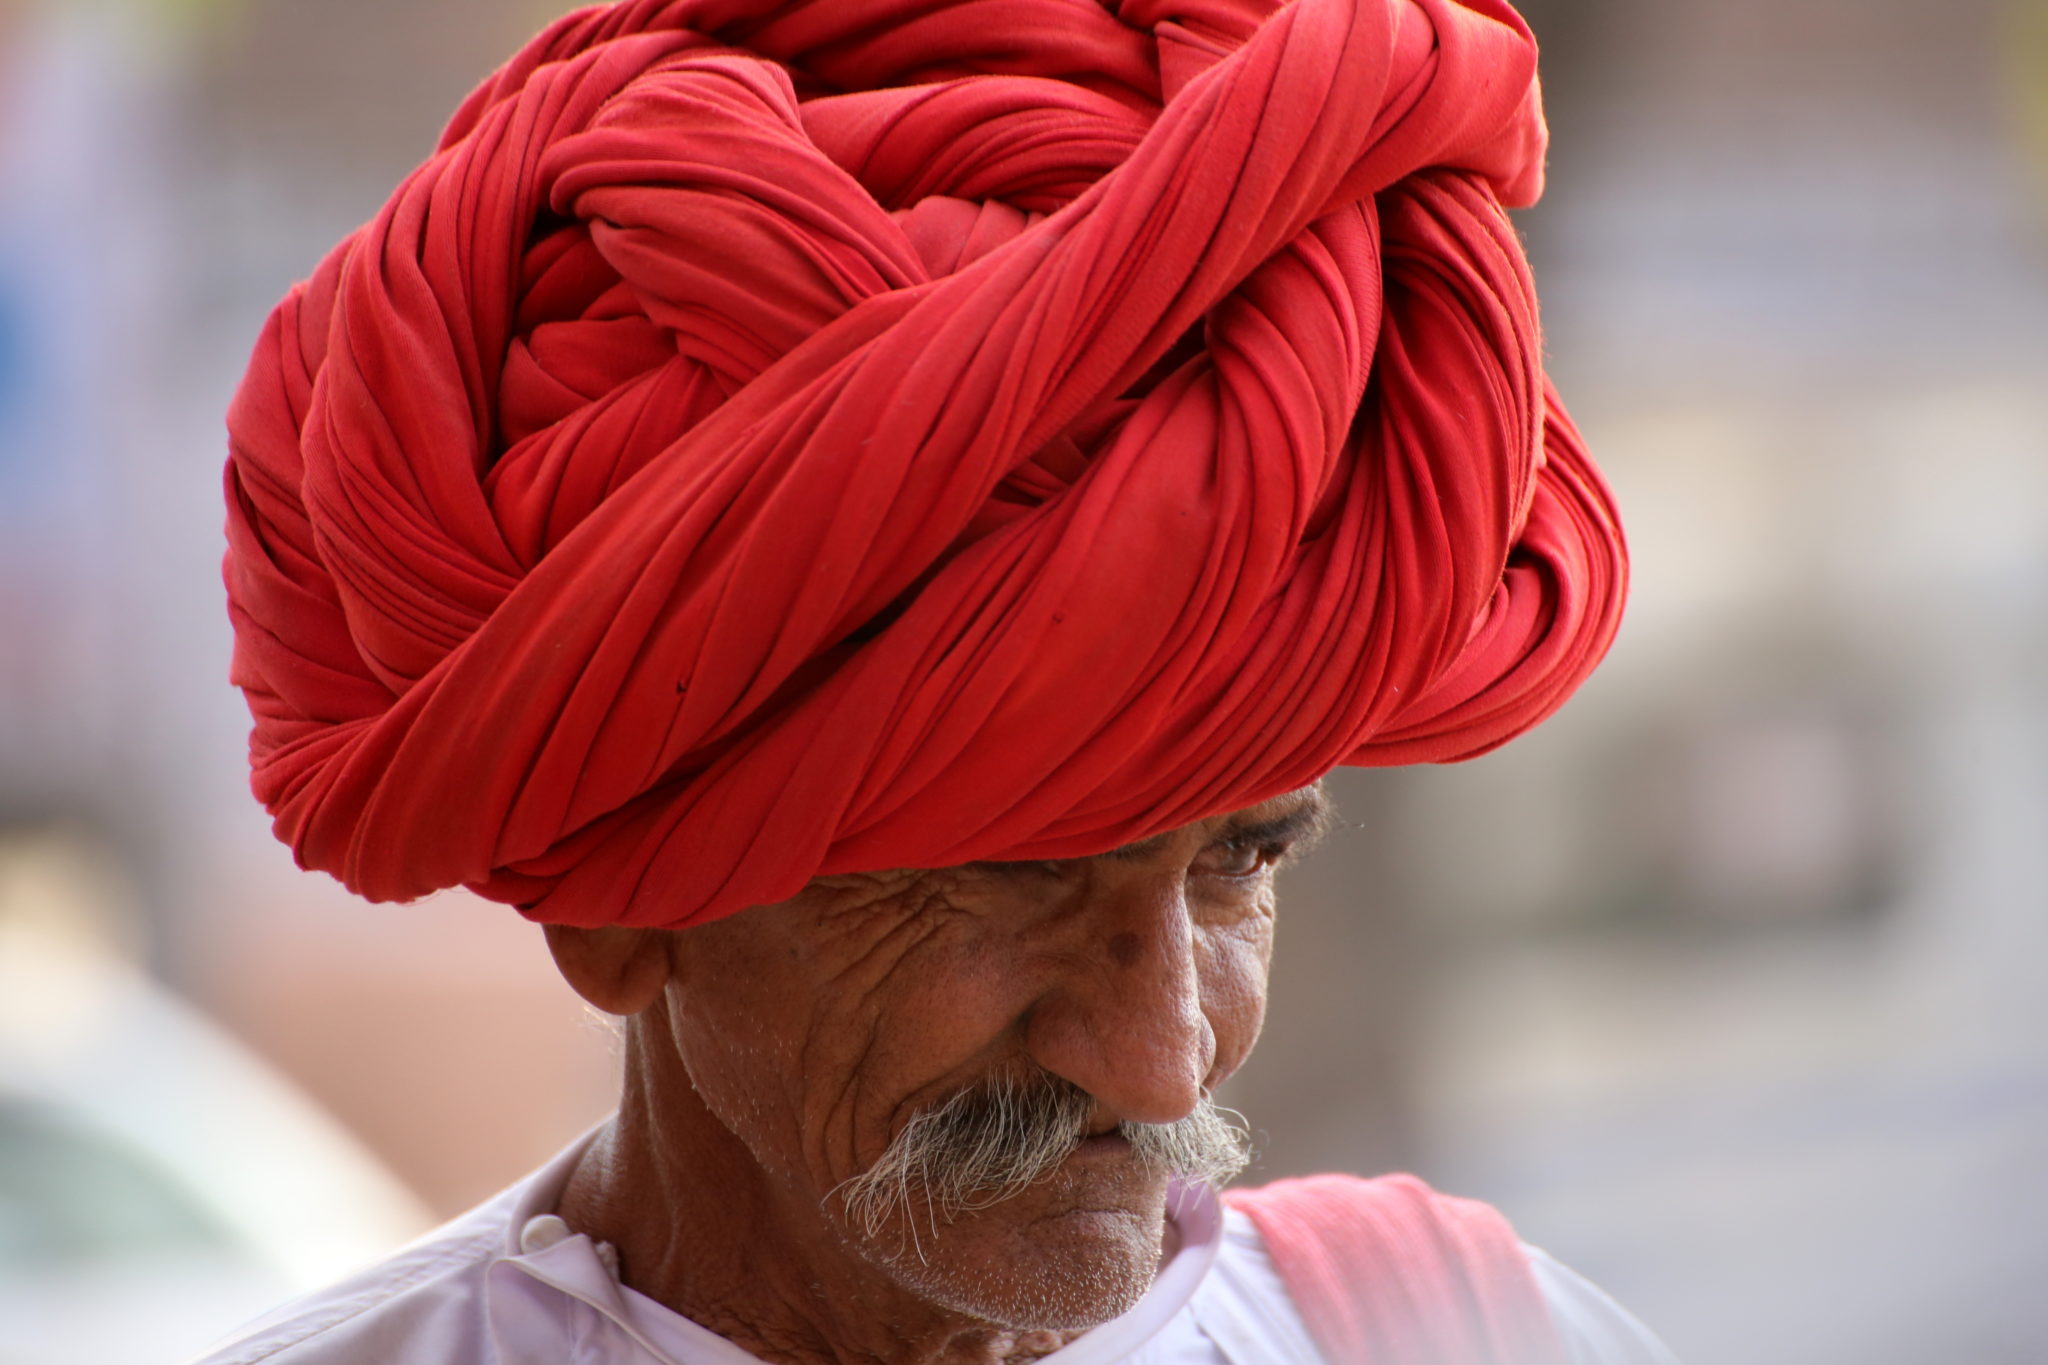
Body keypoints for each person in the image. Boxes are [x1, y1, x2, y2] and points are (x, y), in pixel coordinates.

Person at [201, 0, 1660, 1360]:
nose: (1163, 1060)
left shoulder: (1465, 1331)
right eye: (1020, 876)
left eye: (1238, 860)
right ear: (618, 916)